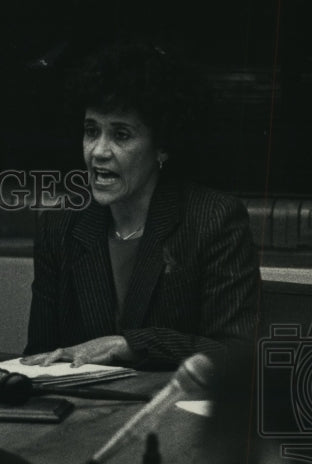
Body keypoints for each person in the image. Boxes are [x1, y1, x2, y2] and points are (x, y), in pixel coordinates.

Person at [22, 42, 260, 369]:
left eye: (121, 135)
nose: (98, 152)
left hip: (173, 410)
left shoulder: (213, 220)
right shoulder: (60, 226)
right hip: (80, 412)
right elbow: (40, 356)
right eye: (92, 131)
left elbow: (236, 353)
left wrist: (129, 345)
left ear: (161, 147)